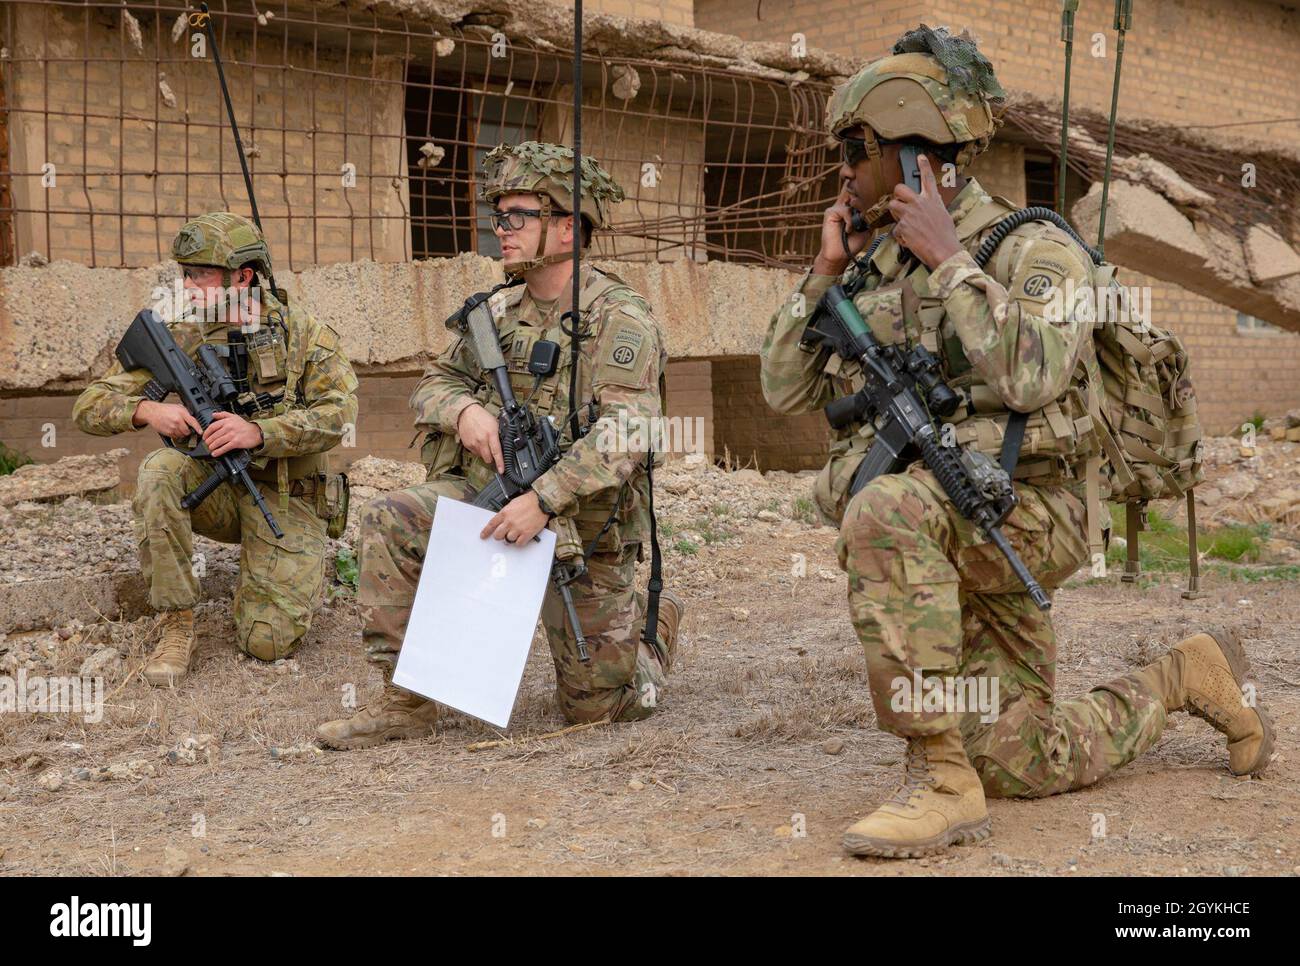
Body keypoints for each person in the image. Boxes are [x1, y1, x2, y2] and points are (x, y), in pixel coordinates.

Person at [759, 26, 1274, 858]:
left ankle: (940, 782)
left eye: (856, 147)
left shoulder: (1035, 249)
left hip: (1037, 509)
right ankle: (1184, 674)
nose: (844, 169)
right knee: (1019, 757)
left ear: (918, 152)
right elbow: (783, 390)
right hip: (954, 517)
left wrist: (955, 262)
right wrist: (823, 275)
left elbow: (1033, 377)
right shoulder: (872, 268)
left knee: (882, 514)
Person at [317, 141, 683, 749]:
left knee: (600, 709)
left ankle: (655, 633)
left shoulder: (620, 319)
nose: (501, 231)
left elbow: (630, 432)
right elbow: (435, 382)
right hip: (494, 495)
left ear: (567, 228)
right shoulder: (494, 312)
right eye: (498, 217)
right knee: (393, 517)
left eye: (518, 217)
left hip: (585, 526)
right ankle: (407, 699)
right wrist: (463, 411)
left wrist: (543, 499)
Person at [73, 212, 358, 685]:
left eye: (200, 275)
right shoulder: (181, 336)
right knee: (160, 470)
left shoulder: (304, 334)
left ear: (242, 277)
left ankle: (276, 571)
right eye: (184, 275)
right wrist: (149, 413)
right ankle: (176, 625)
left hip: (289, 498)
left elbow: (340, 416)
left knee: (265, 642)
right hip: (217, 490)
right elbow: (89, 406)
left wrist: (261, 433)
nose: (188, 287)